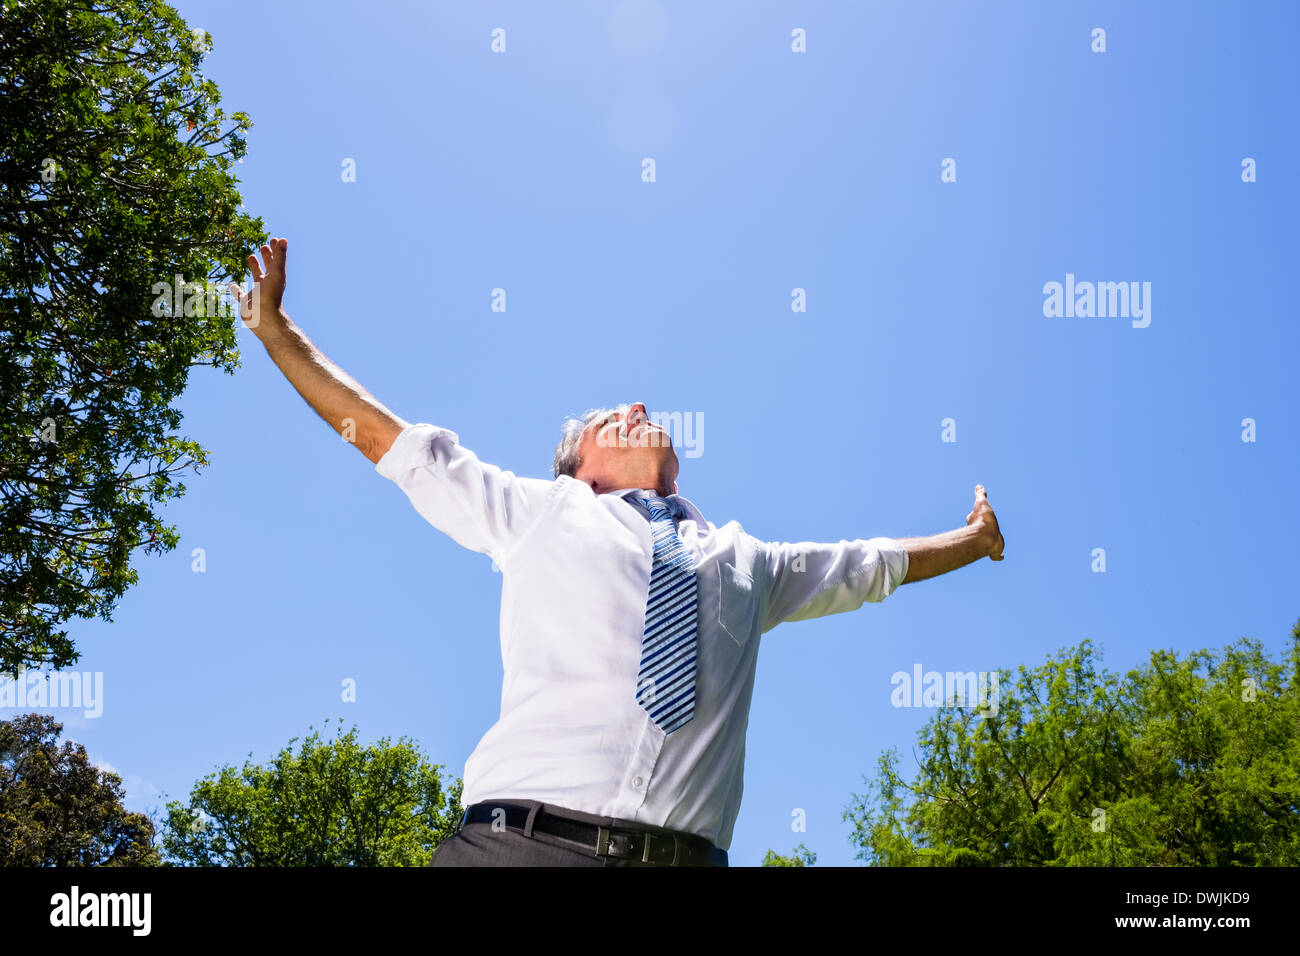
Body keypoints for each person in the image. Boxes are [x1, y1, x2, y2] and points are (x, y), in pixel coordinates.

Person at [230, 238, 1006, 867]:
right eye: (612, 415)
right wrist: (277, 333)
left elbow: (872, 565)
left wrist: (973, 540)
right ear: (579, 464)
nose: (637, 408)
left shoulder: (748, 563)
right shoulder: (538, 512)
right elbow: (390, 441)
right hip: (516, 848)